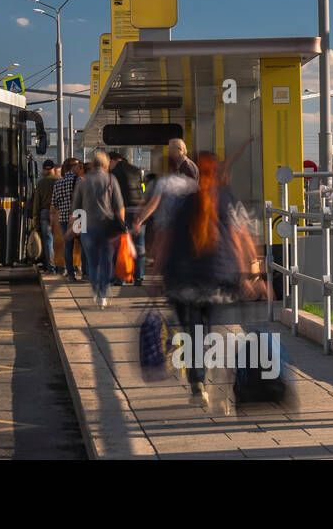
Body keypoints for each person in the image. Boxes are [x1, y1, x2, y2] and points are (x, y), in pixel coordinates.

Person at [159, 151, 253, 398]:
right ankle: (200, 372)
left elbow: (166, 238)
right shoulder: (228, 199)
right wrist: (250, 273)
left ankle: (197, 378)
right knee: (203, 328)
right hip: (215, 278)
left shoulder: (182, 202)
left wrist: (158, 270)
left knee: (191, 330)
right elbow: (240, 236)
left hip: (180, 278)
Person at [66, 150, 124, 309]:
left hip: (87, 228)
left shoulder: (83, 182)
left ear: (92, 164)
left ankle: (95, 289)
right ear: (105, 164)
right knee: (106, 261)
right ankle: (103, 295)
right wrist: (122, 227)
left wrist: (72, 228)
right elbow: (119, 207)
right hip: (107, 227)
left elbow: (76, 209)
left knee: (92, 263)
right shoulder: (111, 180)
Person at [108, 152, 147, 285]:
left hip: (124, 210)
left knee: (122, 245)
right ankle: (139, 277)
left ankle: (122, 277)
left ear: (112, 160)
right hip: (139, 210)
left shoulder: (114, 173)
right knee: (139, 247)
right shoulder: (136, 170)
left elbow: (114, 195)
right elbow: (142, 189)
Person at [51, 158, 81, 281]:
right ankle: (86, 273)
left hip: (63, 218)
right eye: (78, 166)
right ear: (72, 167)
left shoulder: (58, 183)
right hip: (78, 217)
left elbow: (54, 203)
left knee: (68, 246)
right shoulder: (79, 181)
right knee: (83, 245)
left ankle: (70, 274)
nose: (80, 168)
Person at [31, 160, 59, 273]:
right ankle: (60, 265)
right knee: (58, 240)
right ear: (53, 168)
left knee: (48, 240)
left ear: (44, 169)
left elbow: (36, 202)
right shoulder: (59, 180)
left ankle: (50, 267)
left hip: (44, 213)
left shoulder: (41, 183)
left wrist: (35, 217)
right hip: (58, 213)